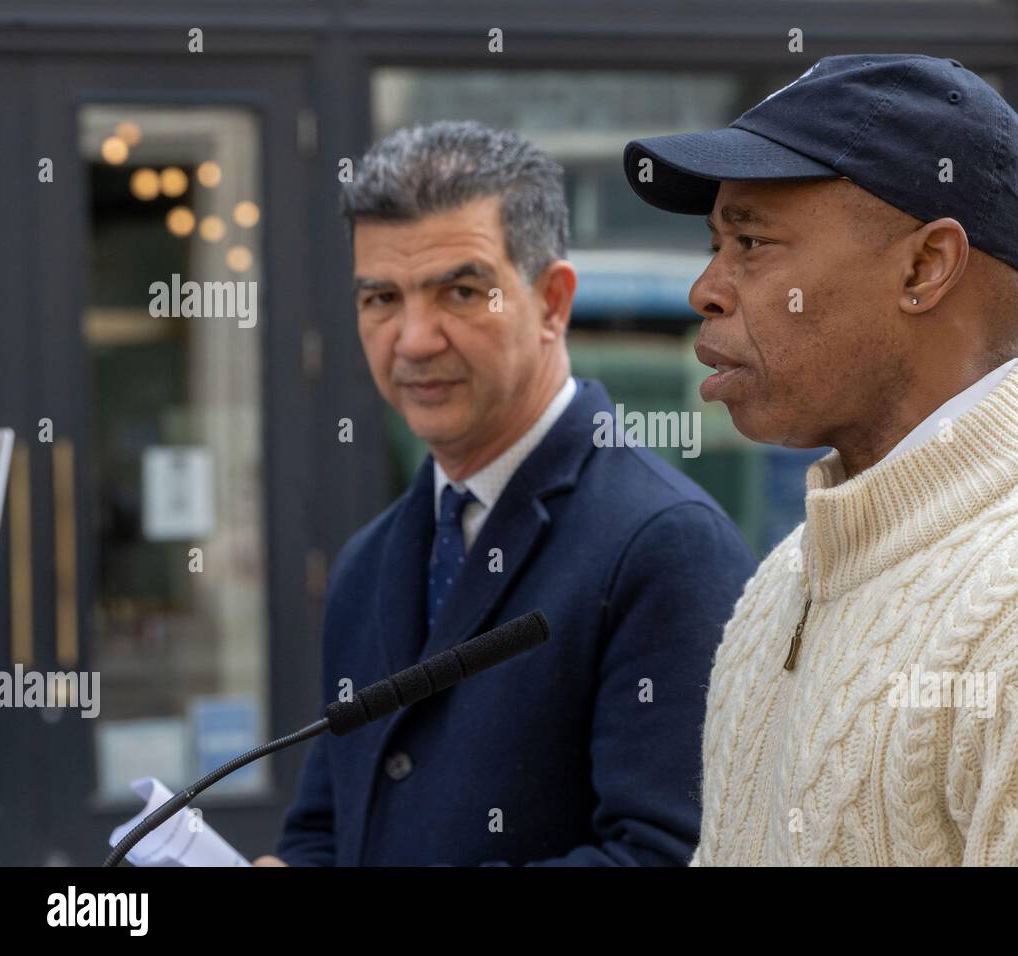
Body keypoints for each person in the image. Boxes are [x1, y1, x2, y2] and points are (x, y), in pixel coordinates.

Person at [622, 53, 1018, 865]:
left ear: (925, 267)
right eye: (717, 244)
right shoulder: (788, 577)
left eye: (752, 241)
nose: (706, 289)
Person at [259, 121, 754, 866]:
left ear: (553, 301)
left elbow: (665, 856)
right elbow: (325, 829)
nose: (414, 339)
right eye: (381, 299)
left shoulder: (665, 545)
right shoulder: (368, 563)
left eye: (460, 291)